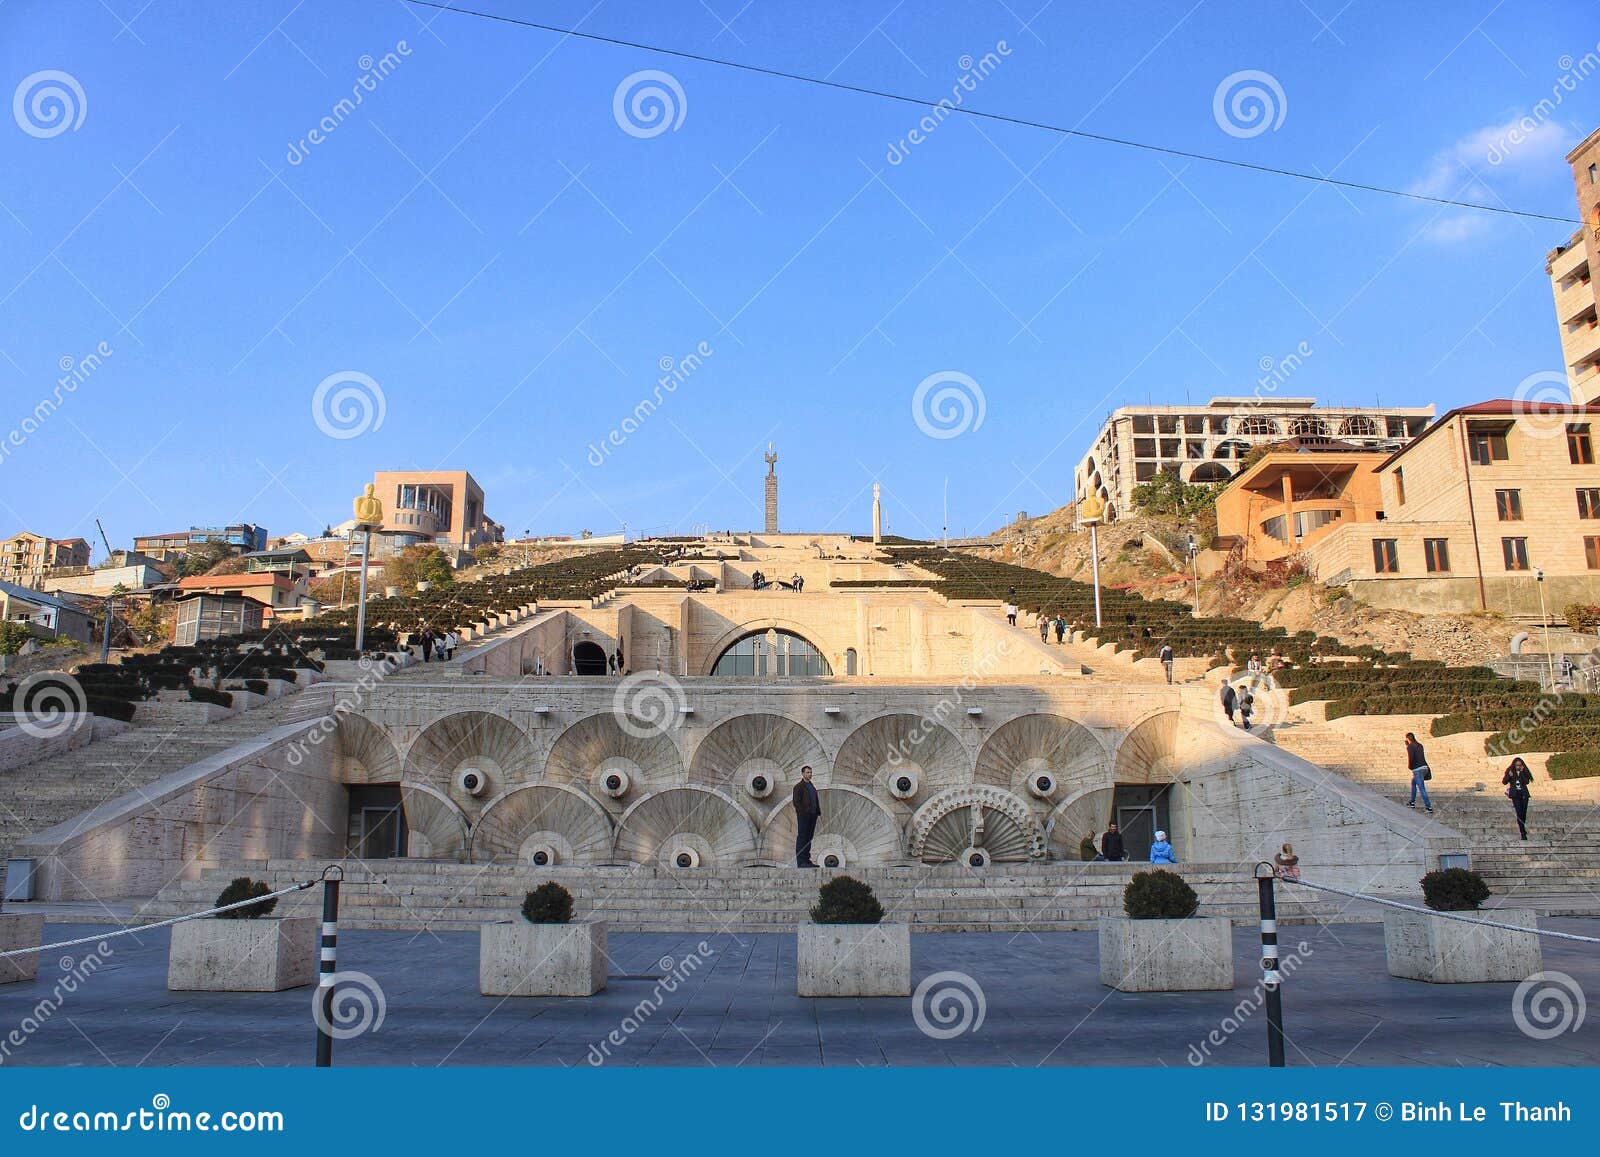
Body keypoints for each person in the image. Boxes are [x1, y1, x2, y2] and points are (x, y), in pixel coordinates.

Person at [792, 765, 821, 867]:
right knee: (802, 837)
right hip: (804, 816)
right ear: (803, 773)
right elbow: (796, 802)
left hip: (813, 815)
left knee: (809, 838)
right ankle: (801, 862)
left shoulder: (811, 786)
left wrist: (816, 812)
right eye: (808, 772)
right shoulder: (799, 787)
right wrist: (803, 813)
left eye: (810, 772)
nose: (810, 774)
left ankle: (807, 860)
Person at [1503, 756, 1534, 840]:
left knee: (1523, 813)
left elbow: (1526, 782)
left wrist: (1522, 773)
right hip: (1515, 795)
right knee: (1519, 813)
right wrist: (1509, 776)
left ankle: (1522, 828)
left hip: (1524, 795)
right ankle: (1522, 832)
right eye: (1517, 765)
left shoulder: (1524, 772)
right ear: (1514, 765)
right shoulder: (1510, 771)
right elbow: (1504, 782)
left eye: (1520, 765)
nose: (1518, 767)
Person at [1404, 731, 1433, 813]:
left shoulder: (1410, 746)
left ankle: (1428, 807)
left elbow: (1411, 757)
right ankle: (1412, 802)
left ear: (1408, 739)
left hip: (1418, 769)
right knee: (1413, 783)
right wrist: (1408, 746)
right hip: (1425, 767)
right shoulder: (1420, 745)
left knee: (1421, 788)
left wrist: (1410, 766)